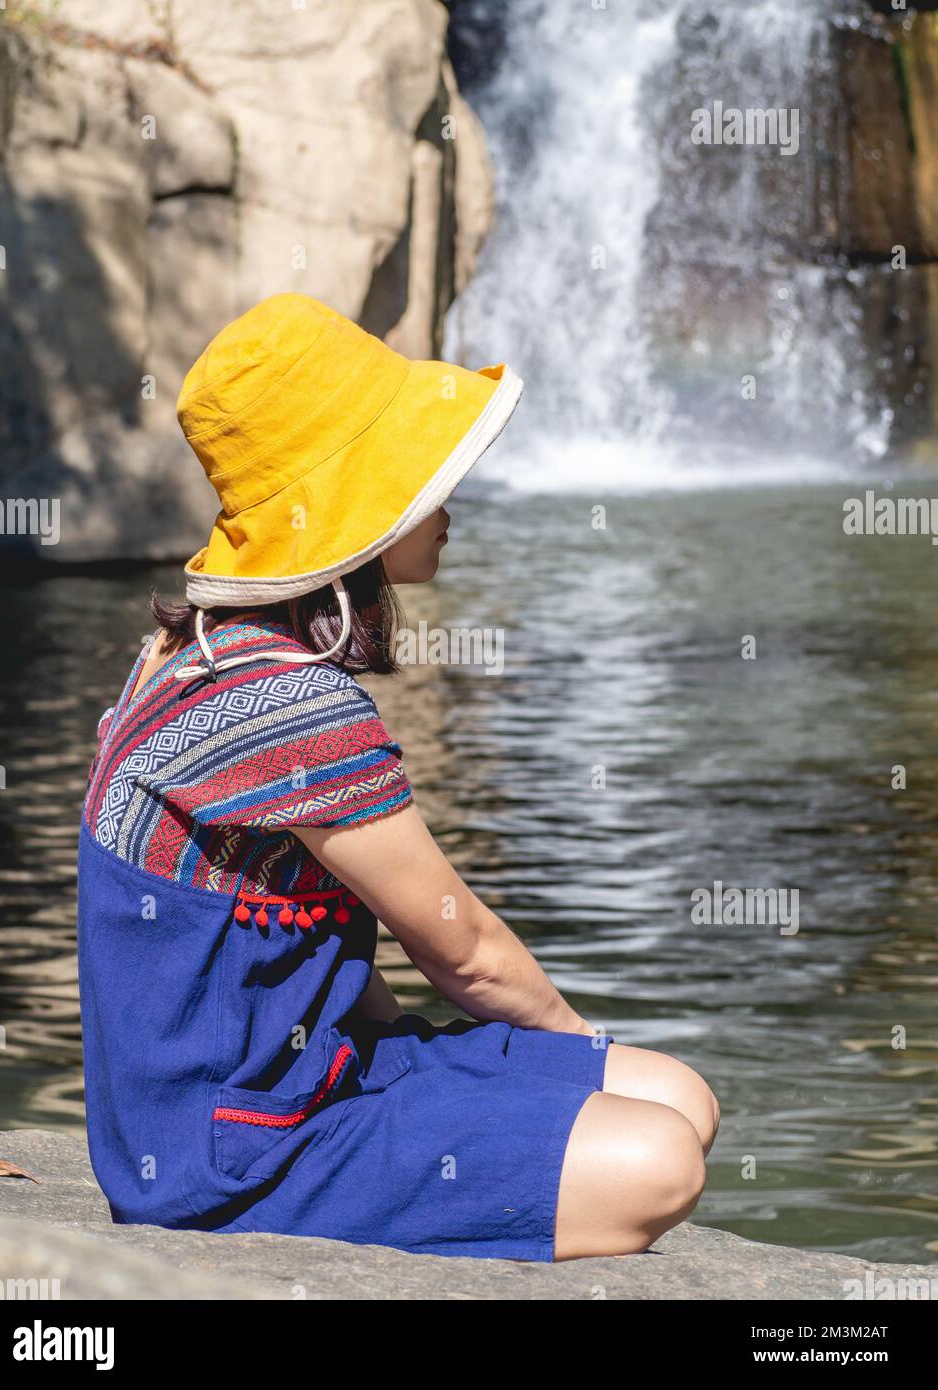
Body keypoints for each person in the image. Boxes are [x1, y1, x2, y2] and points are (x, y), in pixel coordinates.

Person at [78, 293, 718, 1262]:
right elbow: (466, 956)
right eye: (417, 472)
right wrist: (575, 1056)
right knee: (662, 1156)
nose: (448, 496)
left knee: (681, 1097)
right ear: (352, 514)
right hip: (237, 1159)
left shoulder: (183, 651)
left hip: (306, 1073)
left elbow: (288, 938)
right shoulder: (290, 712)